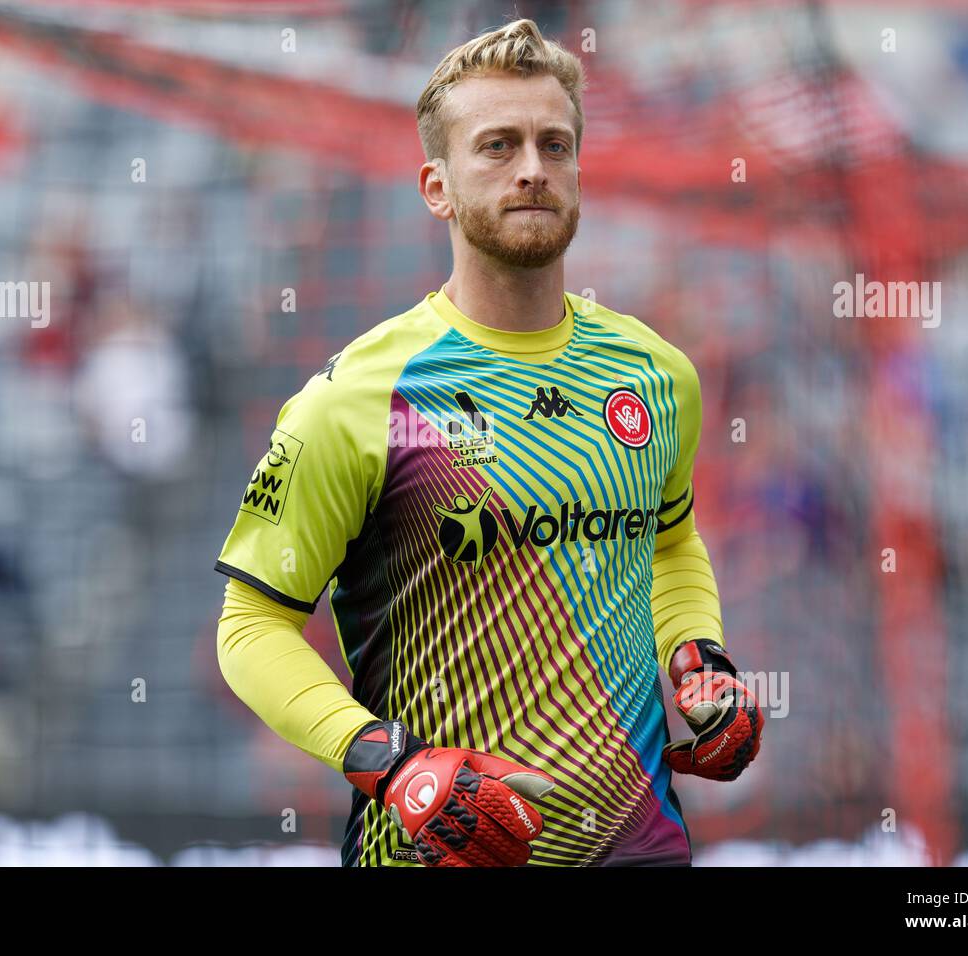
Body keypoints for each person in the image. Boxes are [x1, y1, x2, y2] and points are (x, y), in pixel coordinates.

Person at [213, 18, 762, 867]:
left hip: (640, 847)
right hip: (437, 855)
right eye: (497, 146)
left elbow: (672, 540)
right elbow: (250, 628)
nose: (534, 169)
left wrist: (700, 658)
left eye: (555, 144)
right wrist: (391, 765)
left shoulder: (658, 374)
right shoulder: (359, 397)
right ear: (436, 186)